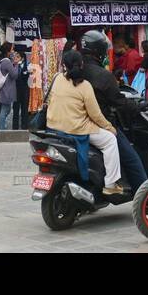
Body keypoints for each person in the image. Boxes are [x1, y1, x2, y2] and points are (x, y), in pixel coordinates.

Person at [77, 30, 147, 193]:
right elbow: (119, 102)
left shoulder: (73, 72)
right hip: (98, 124)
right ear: (100, 52)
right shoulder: (102, 76)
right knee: (132, 159)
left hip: (71, 122)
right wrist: (137, 107)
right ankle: (144, 196)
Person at [45, 50, 122, 195]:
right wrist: (110, 127)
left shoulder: (56, 78)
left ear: (64, 65)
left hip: (53, 127)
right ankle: (111, 183)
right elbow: (96, 115)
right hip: (77, 129)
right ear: (82, 65)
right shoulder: (84, 85)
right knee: (111, 140)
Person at [0, 50, 17, 132]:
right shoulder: (7, 62)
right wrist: (16, 64)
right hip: (7, 90)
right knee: (5, 110)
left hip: (3, 89)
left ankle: (2, 128)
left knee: (5, 109)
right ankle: (1, 130)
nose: (12, 53)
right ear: (7, 53)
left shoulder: (1, 62)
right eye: (10, 51)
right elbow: (14, 74)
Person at [11, 49, 30, 131]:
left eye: (18, 57)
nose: (16, 58)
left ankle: (24, 127)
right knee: (15, 109)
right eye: (15, 56)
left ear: (22, 58)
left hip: (24, 90)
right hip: (16, 90)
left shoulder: (27, 66)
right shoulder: (13, 66)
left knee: (24, 110)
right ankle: (15, 128)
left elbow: (27, 77)